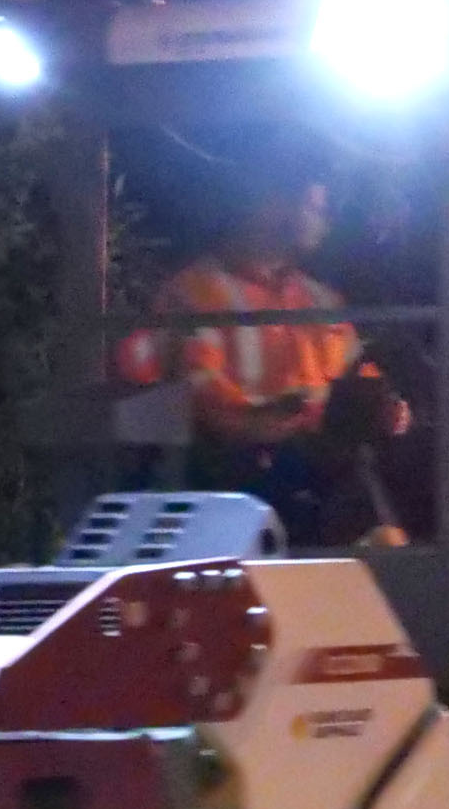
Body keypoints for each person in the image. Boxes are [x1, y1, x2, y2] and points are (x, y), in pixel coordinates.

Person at [115, 174, 420, 550]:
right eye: (315, 208)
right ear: (270, 206)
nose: (324, 222)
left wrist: (388, 408)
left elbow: (359, 378)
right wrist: (280, 422)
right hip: (236, 473)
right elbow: (203, 403)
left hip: (327, 461)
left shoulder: (319, 300)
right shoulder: (198, 293)